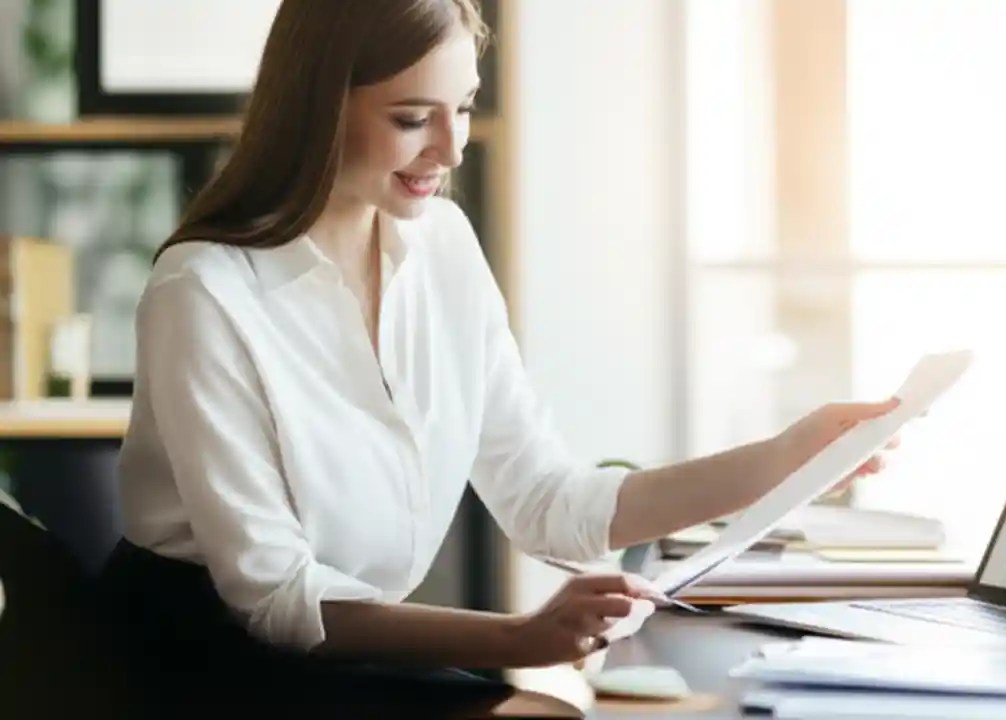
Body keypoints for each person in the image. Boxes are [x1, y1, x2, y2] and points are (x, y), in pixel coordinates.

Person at [99, 0, 901, 696]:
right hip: (202, 660)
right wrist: (519, 639)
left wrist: (786, 460)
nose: (451, 149)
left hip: (350, 644)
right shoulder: (204, 292)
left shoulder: (441, 243)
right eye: (412, 119)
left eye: (464, 107)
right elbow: (275, 599)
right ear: (317, 109)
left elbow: (551, 503)